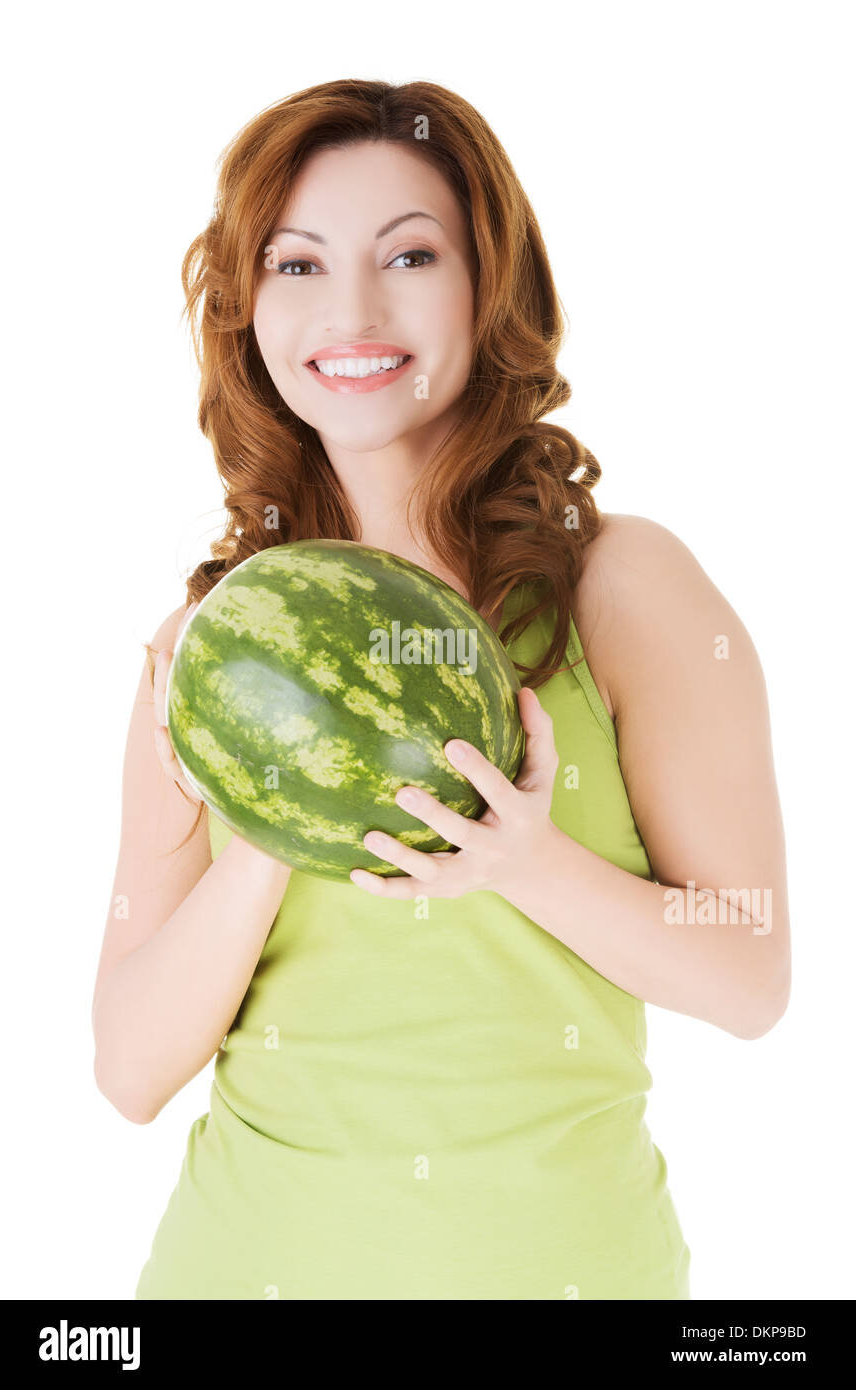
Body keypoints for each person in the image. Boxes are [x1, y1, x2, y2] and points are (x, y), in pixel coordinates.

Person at [91, 79, 791, 1300]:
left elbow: (751, 975)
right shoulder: (210, 643)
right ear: (249, 311)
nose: (351, 309)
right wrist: (263, 835)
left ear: (491, 285)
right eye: (296, 265)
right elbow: (127, 1068)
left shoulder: (620, 587)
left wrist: (523, 859)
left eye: (409, 254)